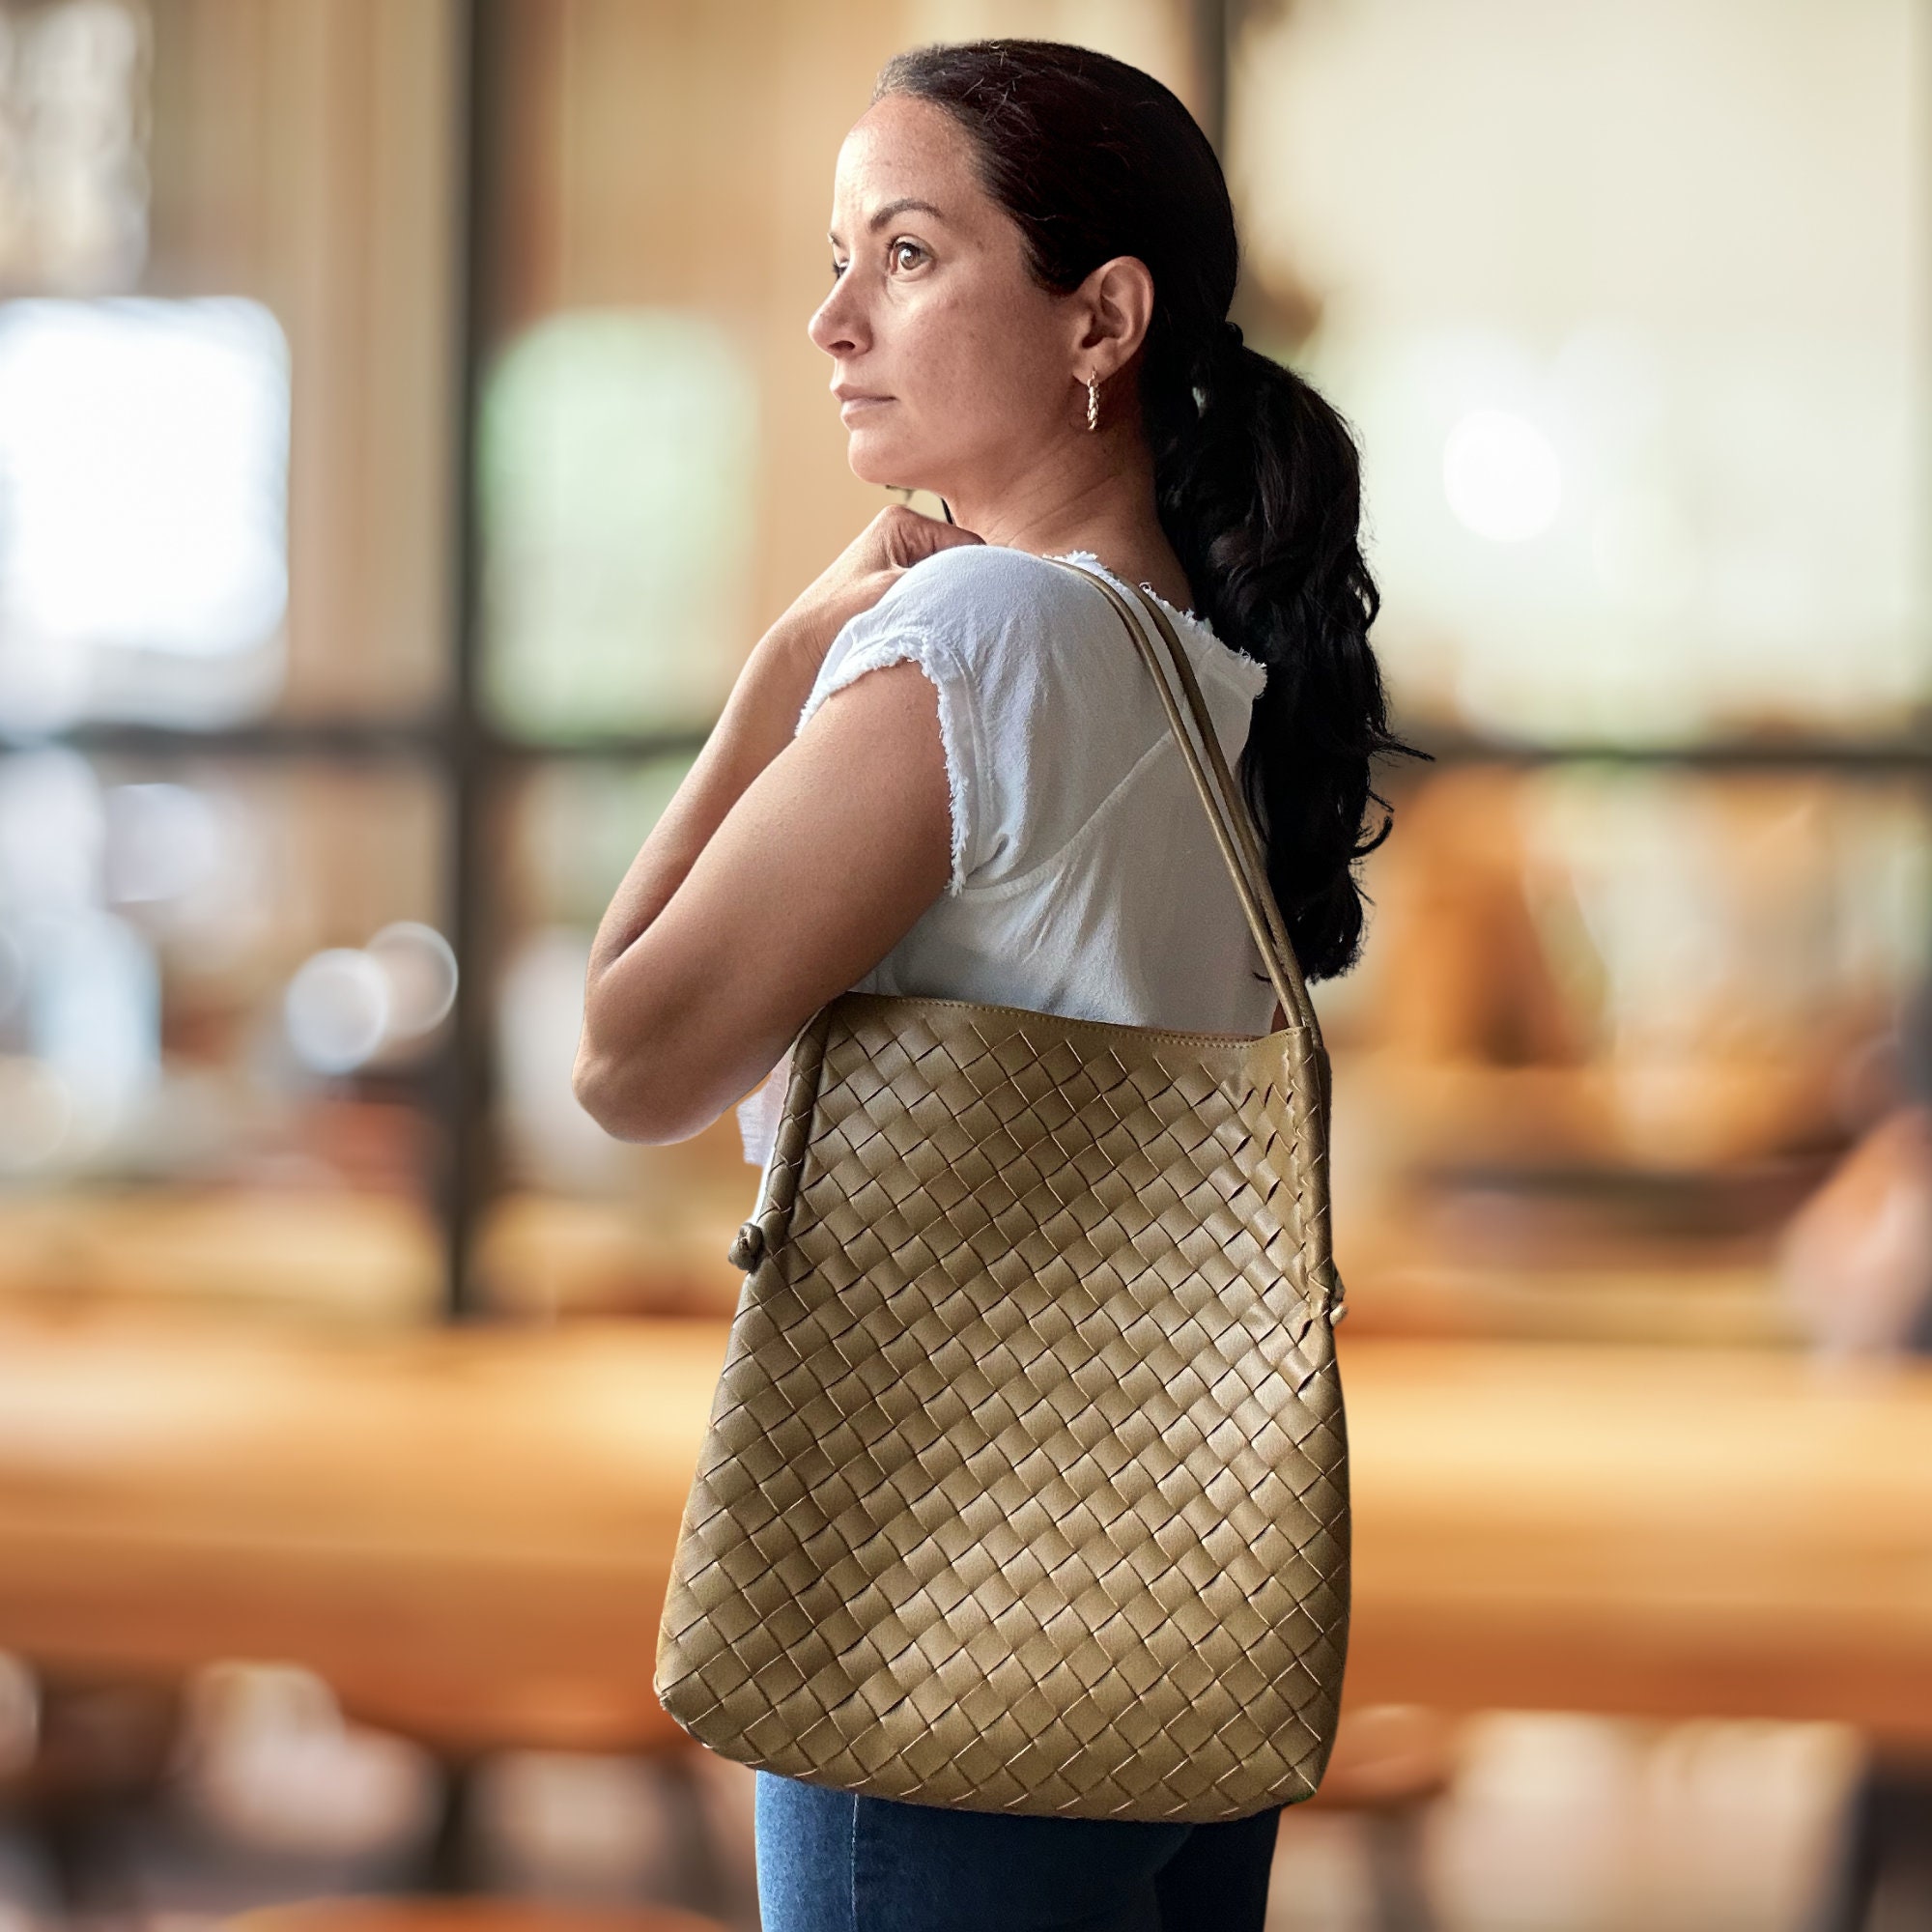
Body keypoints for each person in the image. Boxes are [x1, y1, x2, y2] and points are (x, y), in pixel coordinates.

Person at [574, 37, 1404, 1932]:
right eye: (836, 252)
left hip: (937, 1623)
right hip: (1174, 1621)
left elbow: (627, 1052)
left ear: (1099, 316)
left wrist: (783, 659)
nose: (829, 316)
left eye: (908, 253)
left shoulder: (988, 633)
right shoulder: (1191, 675)